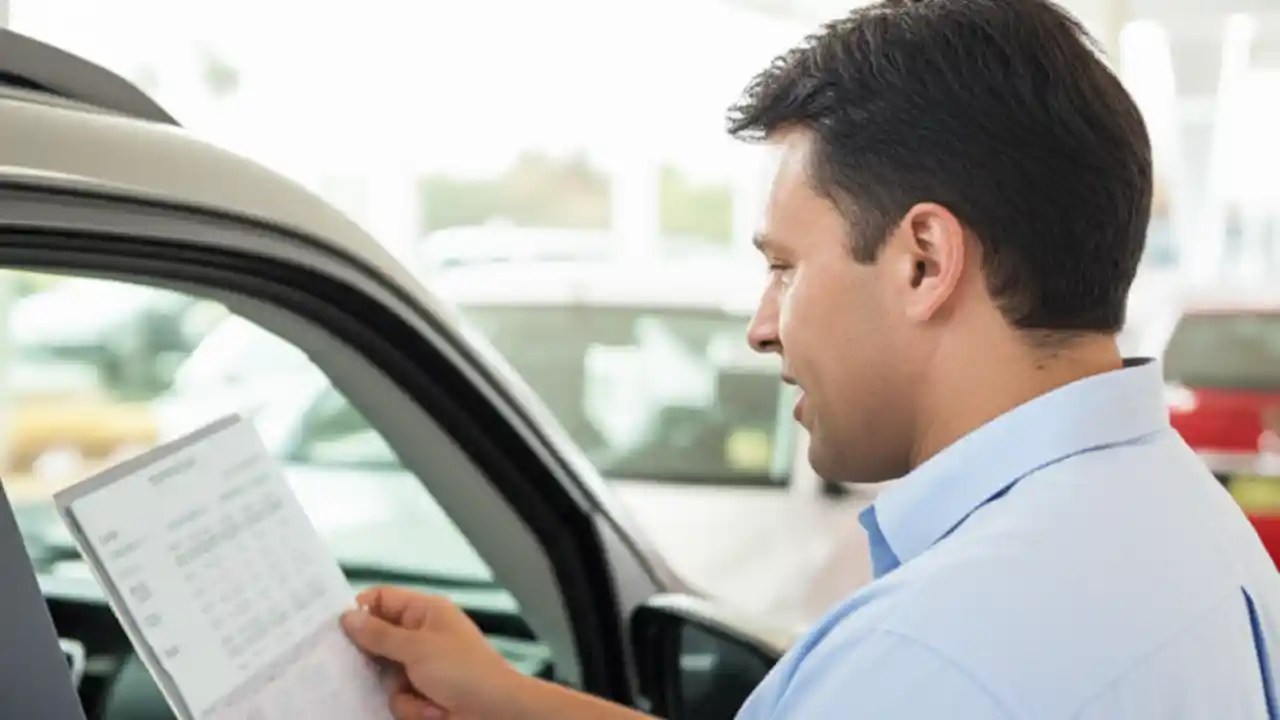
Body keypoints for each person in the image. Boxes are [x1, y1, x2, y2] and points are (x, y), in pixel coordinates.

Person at [342, 0, 1280, 717]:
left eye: (785, 268)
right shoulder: (1185, 521)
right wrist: (511, 696)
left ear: (924, 262)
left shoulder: (933, 651)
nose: (762, 326)